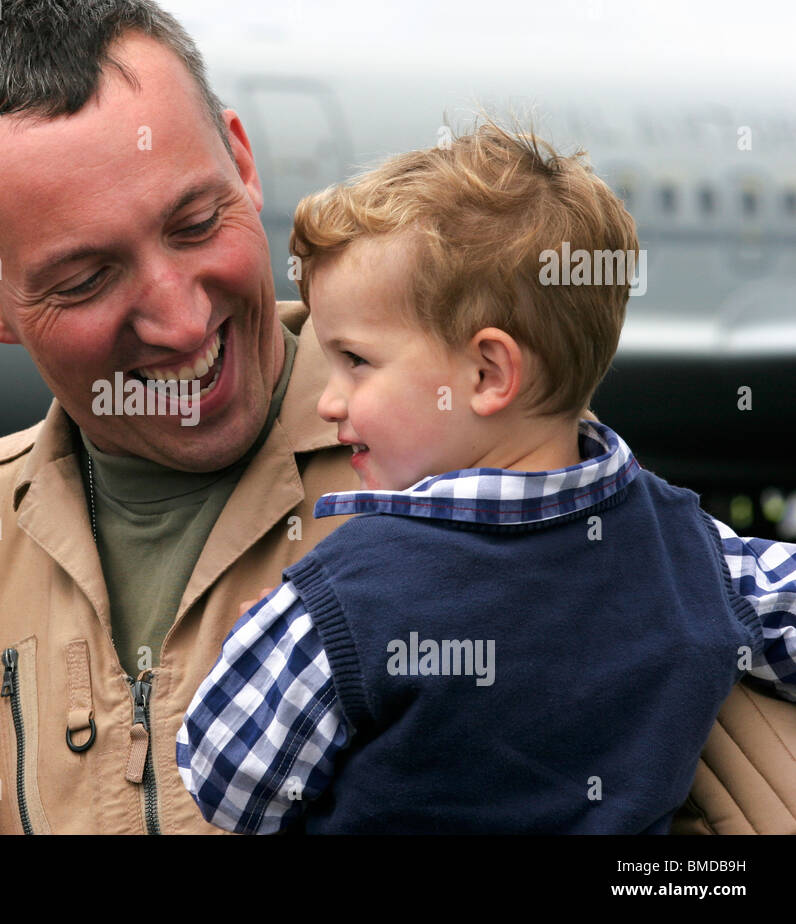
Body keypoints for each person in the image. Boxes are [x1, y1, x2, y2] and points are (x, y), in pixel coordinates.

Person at [0, 0, 796, 833]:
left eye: (197, 224)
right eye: (86, 278)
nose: (177, 317)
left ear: (243, 163)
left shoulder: (542, 495)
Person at [176, 122, 796, 833]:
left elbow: (227, 784)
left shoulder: (353, 594)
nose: (328, 399)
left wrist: (260, 633)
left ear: (486, 373)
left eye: (355, 361)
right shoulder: (692, 548)